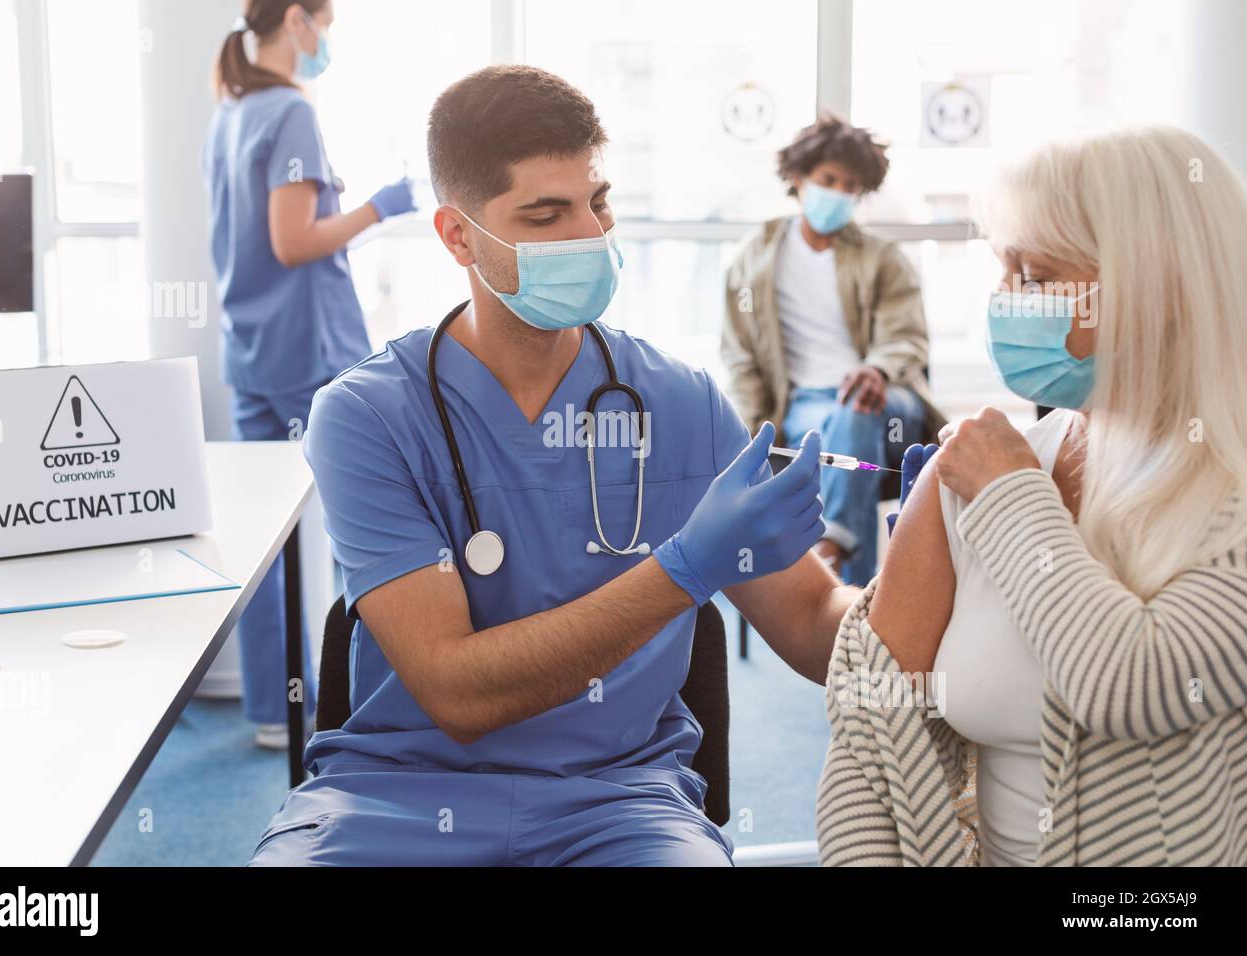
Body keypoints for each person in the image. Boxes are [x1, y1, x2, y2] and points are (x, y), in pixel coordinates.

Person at [250, 66, 859, 867]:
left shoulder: (680, 404)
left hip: (622, 802)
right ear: (457, 235)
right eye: (545, 214)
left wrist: (937, 548)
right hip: (390, 799)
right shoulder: (366, 417)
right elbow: (458, 694)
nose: (588, 234)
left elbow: (817, 627)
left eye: (596, 202)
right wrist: (684, 569)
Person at [821, 125, 1247, 866]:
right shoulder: (974, 471)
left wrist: (1013, 496)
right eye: (1004, 271)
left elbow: (1133, 685)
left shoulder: (1221, 494)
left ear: (1166, 289)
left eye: (1040, 277)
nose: (1008, 303)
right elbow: (871, 722)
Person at [202, 0, 416, 749]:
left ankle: (276, 708)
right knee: (374, 525)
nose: (325, 39)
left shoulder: (230, 108)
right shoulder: (289, 110)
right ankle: (386, 702)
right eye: (324, 23)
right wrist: (378, 208)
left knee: (268, 535)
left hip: (252, 348)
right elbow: (294, 243)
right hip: (307, 351)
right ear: (296, 19)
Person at [723, 113, 945, 585]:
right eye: (828, 179)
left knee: (859, 407)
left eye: (850, 186)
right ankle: (858, 600)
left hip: (891, 406)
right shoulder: (754, 259)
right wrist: (746, 437)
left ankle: (832, 549)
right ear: (798, 176)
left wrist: (877, 371)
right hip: (802, 408)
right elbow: (740, 357)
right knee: (838, 441)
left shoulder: (882, 259)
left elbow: (907, 338)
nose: (838, 193)